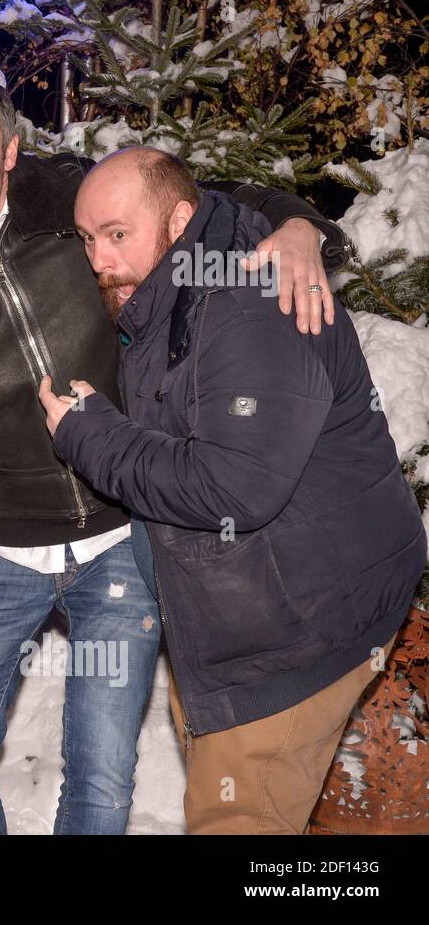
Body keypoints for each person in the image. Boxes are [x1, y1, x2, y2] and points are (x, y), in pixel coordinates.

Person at [0, 65, 351, 835]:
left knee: (102, 776)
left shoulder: (77, 200)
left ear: (10, 150)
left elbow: (200, 203)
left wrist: (296, 223)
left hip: (123, 535)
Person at [39, 147, 424, 833]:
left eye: (117, 235)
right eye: (88, 238)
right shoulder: (183, 265)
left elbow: (231, 489)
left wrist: (87, 432)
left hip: (292, 637)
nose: (99, 259)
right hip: (254, 615)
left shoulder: (250, 302)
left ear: (180, 219)